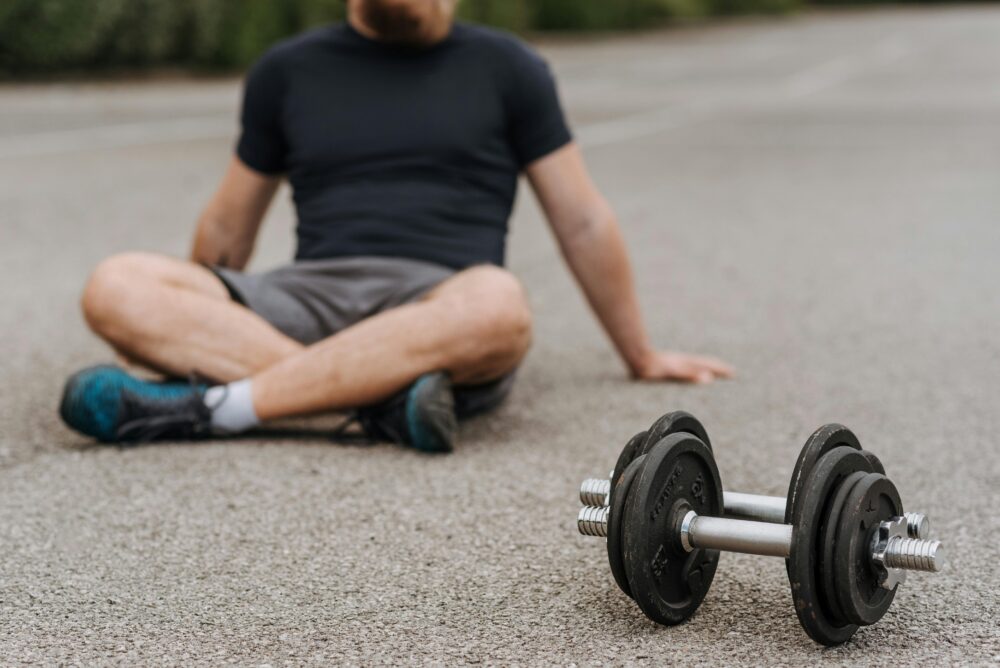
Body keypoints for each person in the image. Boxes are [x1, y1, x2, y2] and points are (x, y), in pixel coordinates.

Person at [59, 0, 734, 453]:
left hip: (439, 305)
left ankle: (219, 405)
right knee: (117, 283)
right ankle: (376, 407)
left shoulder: (510, 69)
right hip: (304, 298)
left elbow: (583, 221)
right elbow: (228, 229)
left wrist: (640, 354)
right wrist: (171, 333)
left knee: (501, 303)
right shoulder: (285, 72)